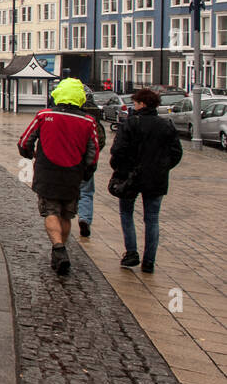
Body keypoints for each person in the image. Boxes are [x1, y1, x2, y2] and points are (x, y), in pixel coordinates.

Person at [17, 77, 100, 275]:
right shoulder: (88, 122)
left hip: (47, 172)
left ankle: (58, 248)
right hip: (73, 174)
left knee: (51, 211)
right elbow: (93, 153)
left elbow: (25, 142)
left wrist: (30, 154)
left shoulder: (44, 115)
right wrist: (85, 173)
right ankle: (61, 248)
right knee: (66, 213)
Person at [109, 87, 182, 273]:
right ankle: (149, 260)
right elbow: (176, 153)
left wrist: (119, 168)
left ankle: (132, 252)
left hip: (129, 177)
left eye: (135, 102)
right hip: (155, 178)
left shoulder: (131, 124)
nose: (134, 105)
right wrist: (162, 167)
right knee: (152, 219)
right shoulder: (166, 125)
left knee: (126, 214)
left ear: (141, 104)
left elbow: (118, 150)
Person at [76, 89, 108, 238]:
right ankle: (84, 218)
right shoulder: (94, 119)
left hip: (71, 161)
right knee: (86, 193)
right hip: (88, 163)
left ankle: (61, 218)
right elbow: (100, 141)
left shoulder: (76, 115)